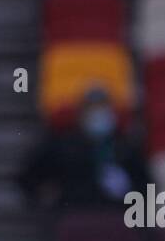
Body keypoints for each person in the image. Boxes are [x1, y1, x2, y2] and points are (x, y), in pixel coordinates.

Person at [19, 86, 150, 211]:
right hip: (73, 216)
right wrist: (48, 197)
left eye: (102, 107)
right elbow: (28, 177)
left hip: (116, 218)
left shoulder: (124, 146)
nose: (98, 114)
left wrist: (130, 190)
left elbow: (145, 185)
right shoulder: (63, 145)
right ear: (81, 112)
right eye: (92, 108)